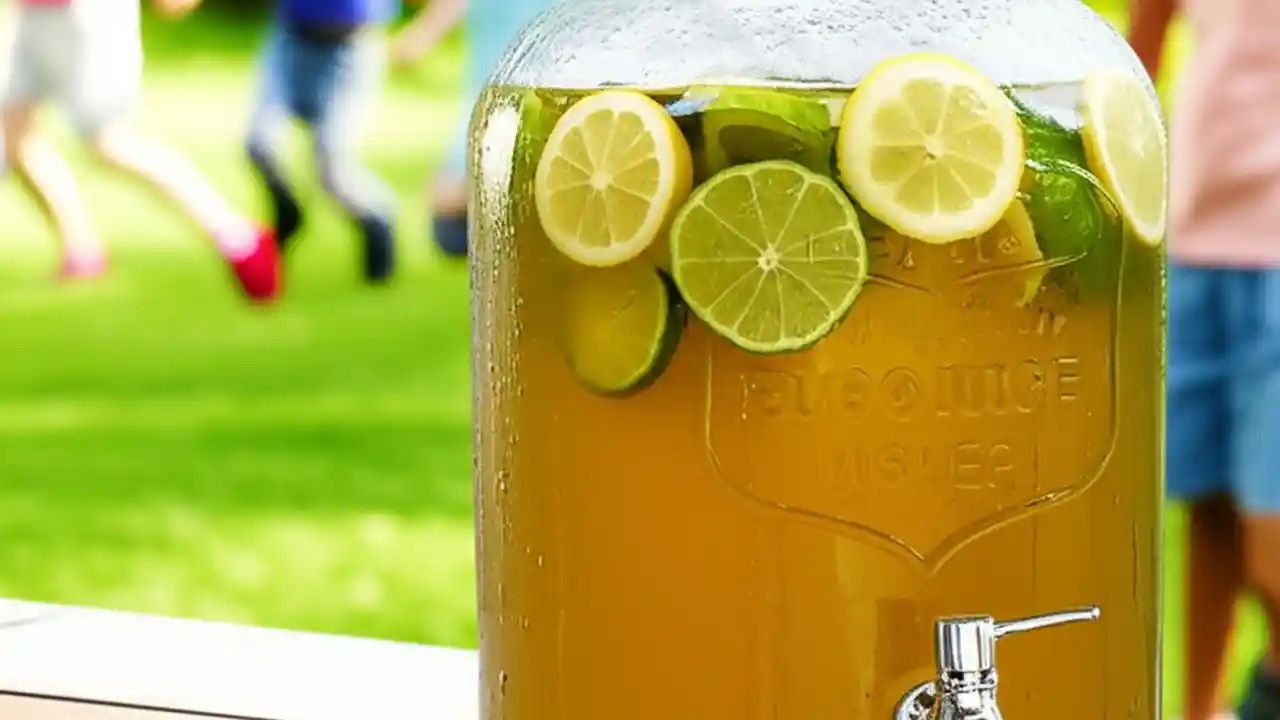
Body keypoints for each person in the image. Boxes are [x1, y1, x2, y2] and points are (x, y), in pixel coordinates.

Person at [1131, 0, 1280, 718]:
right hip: (1193, 238)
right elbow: (1138, 57)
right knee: (1208, 500)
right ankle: (1197, 709)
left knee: (1271, 549)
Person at [2, 0, 278, 301]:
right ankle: (82, 250)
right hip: (36, 15)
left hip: (92, 18)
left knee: (110, 143)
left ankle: (237, 236)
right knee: (14, 131)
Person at [246, 0, 407, 284]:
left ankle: (377, 220)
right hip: (292, 38)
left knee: (332, 164)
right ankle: (288, 216)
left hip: (352, 45)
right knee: (260, 143)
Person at [391, 0, 550, 258]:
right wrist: (420, 36)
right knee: (450, 226)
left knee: (460, 219)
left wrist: (420, 37)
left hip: (535, 110)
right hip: (491, 111)